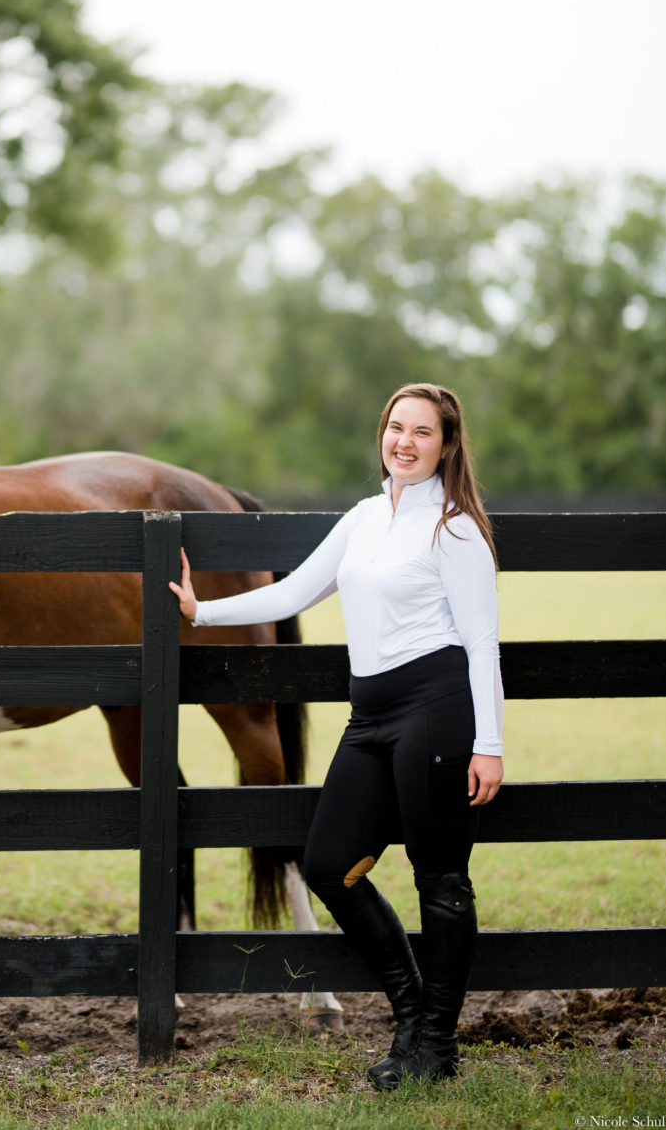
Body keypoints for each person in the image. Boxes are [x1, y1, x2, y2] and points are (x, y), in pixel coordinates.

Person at [169, 382, 504, 1091]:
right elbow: (294, 593)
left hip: (436, 708)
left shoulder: (454, 526)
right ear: (381, 433)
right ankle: (412, 1013)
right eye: (396, 427)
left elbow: (481, 641)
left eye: (422, 432)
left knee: (440, 878)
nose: (405, 442)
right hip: (371, 713)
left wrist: (490, 743)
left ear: (446, 446)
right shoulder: (362, 517)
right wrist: (201, 611)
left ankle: (435, 1046)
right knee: (328, 863)